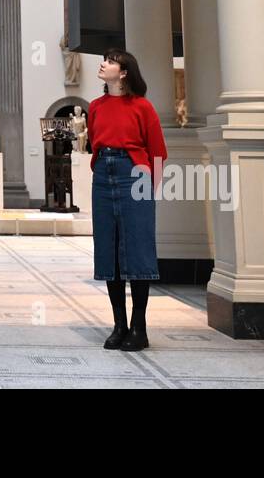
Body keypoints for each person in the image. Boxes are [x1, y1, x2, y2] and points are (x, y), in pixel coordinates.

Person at [87, 48, 167, 352]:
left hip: (134, 175)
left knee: (137, 249)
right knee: (108, 249)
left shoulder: (142, 107)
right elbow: (95, 144)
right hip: (103, 177)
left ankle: (139, 327)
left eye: (109, 61)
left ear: (123, 72)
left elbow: (158, 151)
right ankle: (119, 325)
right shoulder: (95, 106)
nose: (103, 64)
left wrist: (151, 189)